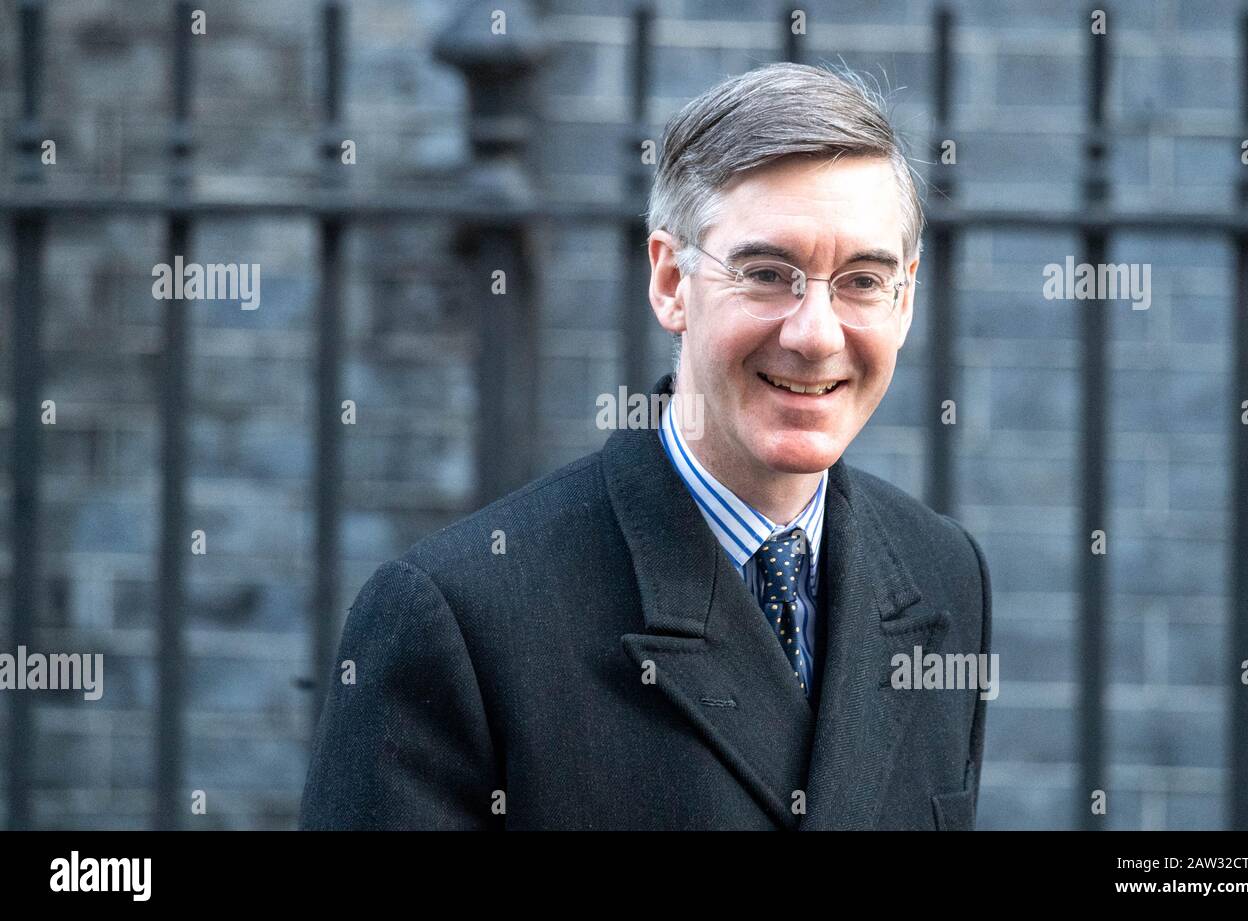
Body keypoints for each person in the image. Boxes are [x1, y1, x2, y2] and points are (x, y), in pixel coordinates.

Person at [300, 62, 991, 830]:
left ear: (906, 297)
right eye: (767, 274)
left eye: (862, 280)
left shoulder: (944, 575)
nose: (815, 334)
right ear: (670, 280)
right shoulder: (457, 619)